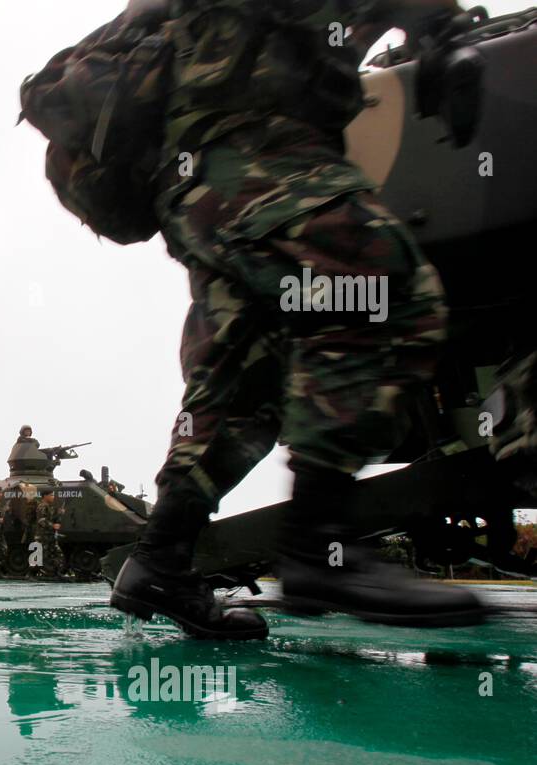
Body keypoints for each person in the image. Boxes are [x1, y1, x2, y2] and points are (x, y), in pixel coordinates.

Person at [109, 0, 484, 637]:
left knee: (246, 371)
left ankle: (159, 561)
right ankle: (319, 543)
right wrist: (441, 29)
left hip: (198, 178)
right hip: (255, 151)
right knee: (379, 284)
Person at [33, 490, 64, 580]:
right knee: (41, 556)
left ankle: (55, 573)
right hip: (43, 536)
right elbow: (41, 520)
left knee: (57, 554)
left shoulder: (50, 507)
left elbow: (53, 518)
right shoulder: (42, 506)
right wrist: (53, 525)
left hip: (50, 536)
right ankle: (32, 573)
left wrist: (60, 514)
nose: (53, 497)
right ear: (45, 496)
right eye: (51, 495)